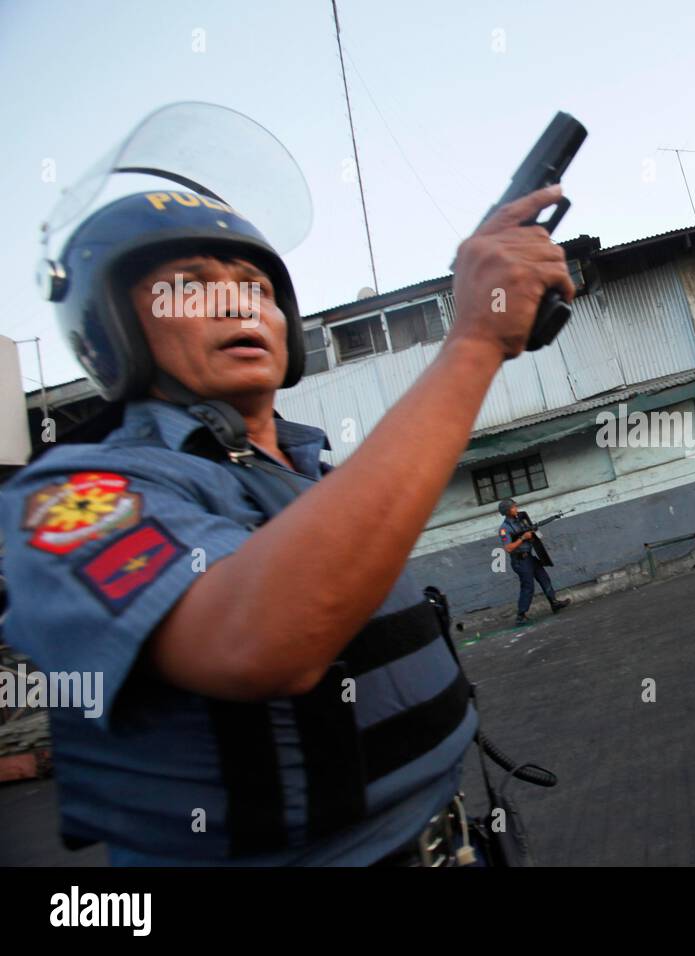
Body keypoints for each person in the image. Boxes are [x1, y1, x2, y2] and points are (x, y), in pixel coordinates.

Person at [1, 171, 574, 864]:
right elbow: (259, 638)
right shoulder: (69, 499)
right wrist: (476, 340)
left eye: (258, 288)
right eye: (189, 284)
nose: (237, 303)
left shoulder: (311, 478)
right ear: (112, 331)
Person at [497, 498, 570, 626]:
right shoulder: (504, 528)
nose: (516, 509)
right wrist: (523, 538)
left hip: (530, 557)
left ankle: (554, 602)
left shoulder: (521, 520)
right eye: (513, 507)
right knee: (528, 587)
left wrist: (534, 532)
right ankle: (521, 615)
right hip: (520, 561)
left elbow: (529, 531)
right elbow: (508, 548)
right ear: (507, 511)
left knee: (544, 578)